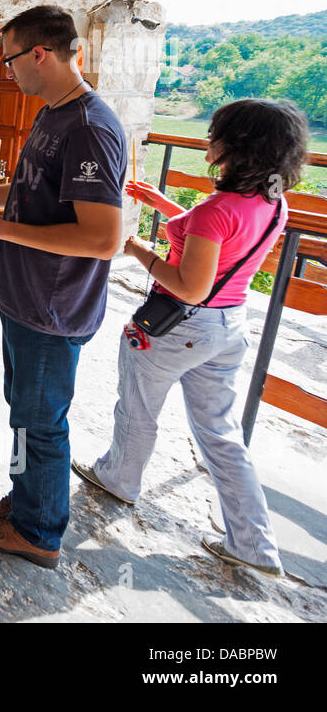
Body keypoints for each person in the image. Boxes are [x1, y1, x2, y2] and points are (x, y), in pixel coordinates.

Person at [0, 5, 126, 568]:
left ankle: (39, 532)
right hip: (25, 297)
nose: (6, 72)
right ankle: (24, 500)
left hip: (52, 307)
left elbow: (103, 238)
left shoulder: (90, 128)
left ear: (39, 53)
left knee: (41, 421)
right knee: (22, 413)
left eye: (8, 59)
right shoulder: (51, 114)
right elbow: (26, 189)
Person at [74, 98, 307, 577]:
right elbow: (225, 243)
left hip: (180, 329)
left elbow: (189, 284)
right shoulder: (274, 201)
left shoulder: (215, 210)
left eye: (216, 131)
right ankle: (254, 545)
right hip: (228, 327)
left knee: (137, 408)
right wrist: (170, 209)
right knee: (220, 434)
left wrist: (136, 248)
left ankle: (119, 479)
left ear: (237, 145)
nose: (209, 138)